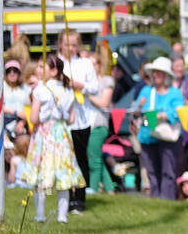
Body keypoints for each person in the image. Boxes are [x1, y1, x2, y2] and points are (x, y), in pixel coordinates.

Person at [19, 52, 84, 223]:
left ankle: (40, 214)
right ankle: (62, 216)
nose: (38, 70)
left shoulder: (40, 91)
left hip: (44, 136)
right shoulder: (68, 91)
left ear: (54, 71)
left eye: (42, 67)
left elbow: (33, 119)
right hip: (61, 136)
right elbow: (71, 119)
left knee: (42, 175)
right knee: (62, 175)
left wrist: (43, 116)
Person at [133, 56, 186, 200]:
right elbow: (135, 112)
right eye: (154, 72)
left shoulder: (175, 93)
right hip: (147, 135)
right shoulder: (146, 91)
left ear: (167, 76)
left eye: (159, 72)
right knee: (151, 170)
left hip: (167, 137)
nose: (156, 75)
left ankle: (167, 199)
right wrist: (138, 106)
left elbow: (179, 113)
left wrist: (162, 115)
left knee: (168, 171)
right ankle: (155, 199)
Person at [59, 31, 99, 213]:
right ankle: (65, 198)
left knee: (80, 158)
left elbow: (95, 88)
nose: (71, 48)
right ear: (60, 44)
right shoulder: (55, 64)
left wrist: (79, 85)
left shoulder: (85, 64)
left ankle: (80, 199)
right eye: (67, 44)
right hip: (61, 119)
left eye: (74, 45)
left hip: (81, 119)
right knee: (64, 160)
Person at [87, 43, 117, 195]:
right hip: (87, 124)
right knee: (96, 156)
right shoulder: (86, 82)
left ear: (99, 65)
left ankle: (92, 188)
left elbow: (104, 103)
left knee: (94, 159)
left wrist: (86, 94)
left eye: (94, 64)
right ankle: (110, 188)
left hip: (99, 124)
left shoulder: (106, 81)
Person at [171, 55, 188, 177]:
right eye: (177, 66)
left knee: (183, 162)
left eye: (182, 66)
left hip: (186, 129)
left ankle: (183, 190)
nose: (180, 69)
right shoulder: (168, 83)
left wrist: (183, 100)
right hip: (170, 128)